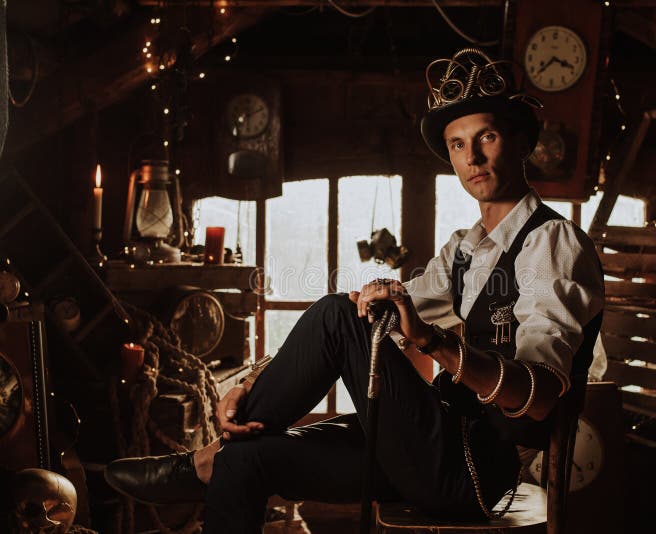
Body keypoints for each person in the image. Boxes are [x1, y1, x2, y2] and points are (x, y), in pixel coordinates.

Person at [105, 48, 604, 532]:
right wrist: (257, 380)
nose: (471, 156)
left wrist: (434, 343)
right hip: (429, 443)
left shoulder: (551, 242)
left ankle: (200, 462)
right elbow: (371, 308)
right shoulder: (467, 249)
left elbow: (539, 400)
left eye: (486, 136)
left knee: (336, 316)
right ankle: (217, 459)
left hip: (470, 474)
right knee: (247, 458)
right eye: (457, 144)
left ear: (518, 142)